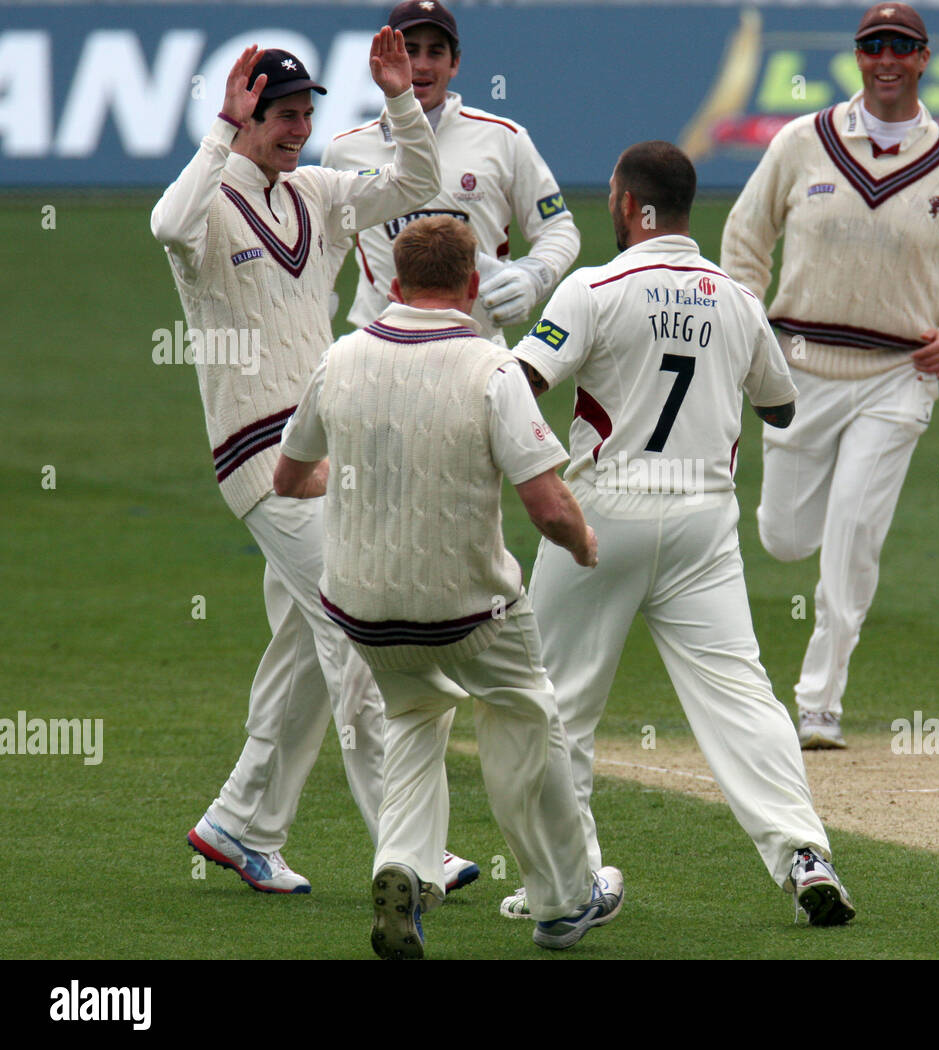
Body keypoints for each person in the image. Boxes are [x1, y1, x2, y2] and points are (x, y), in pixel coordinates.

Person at [152, 33, 475, 895]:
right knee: (359, 631)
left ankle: (239, 822)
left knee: (304, 640)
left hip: (330, 447)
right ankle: (412, 848)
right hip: (258, 460)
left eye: (306, 115)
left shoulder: (322, 194)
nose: (299, 129)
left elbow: (418, 185)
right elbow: (166, 224)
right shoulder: (211, 200)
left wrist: (402, 99)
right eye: (284, 115)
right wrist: (220, 129)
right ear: (248, 115)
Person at [506, 141, 855, 927]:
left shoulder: (593, 287)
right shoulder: (734, 296)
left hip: (604, 513)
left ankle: (570, 882)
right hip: (703, 520)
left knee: (556, 702)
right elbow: (783, 408)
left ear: (630, 205)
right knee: (741, 694)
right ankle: (805, 855)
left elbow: (518, 384)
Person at [273, 215, 622, 956]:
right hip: (470, 610)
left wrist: (359, 478)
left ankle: (402, 863)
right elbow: (547, 503)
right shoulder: (492, 368)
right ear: (472, 285)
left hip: (362, 611)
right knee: (529, 720)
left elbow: (290, 477)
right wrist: (583, 541)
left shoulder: (339, 358)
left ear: (392, 284)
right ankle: (563, 902)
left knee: (414, 718)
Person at [721, 2, 939, 749]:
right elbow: (745, 239)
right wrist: (749, 327)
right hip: (802, 368)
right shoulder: (802, 143)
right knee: (785, 537)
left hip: (897, 377)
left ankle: (819, 704)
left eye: (902, 47)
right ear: (859, 56)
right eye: (873, 45)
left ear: (923, 59)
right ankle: (815, 510)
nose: (887, 58)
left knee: (854, 533)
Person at [323, 0, 580, 343]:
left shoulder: (503, 138)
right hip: (379, 349)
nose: (422, 65)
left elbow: (558, 228)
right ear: (384, 60)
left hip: (476, 350)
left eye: (436, 52)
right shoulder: (346, 149)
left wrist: (534, 276)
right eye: (409, 50)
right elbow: (321, 244)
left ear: (455, 62)